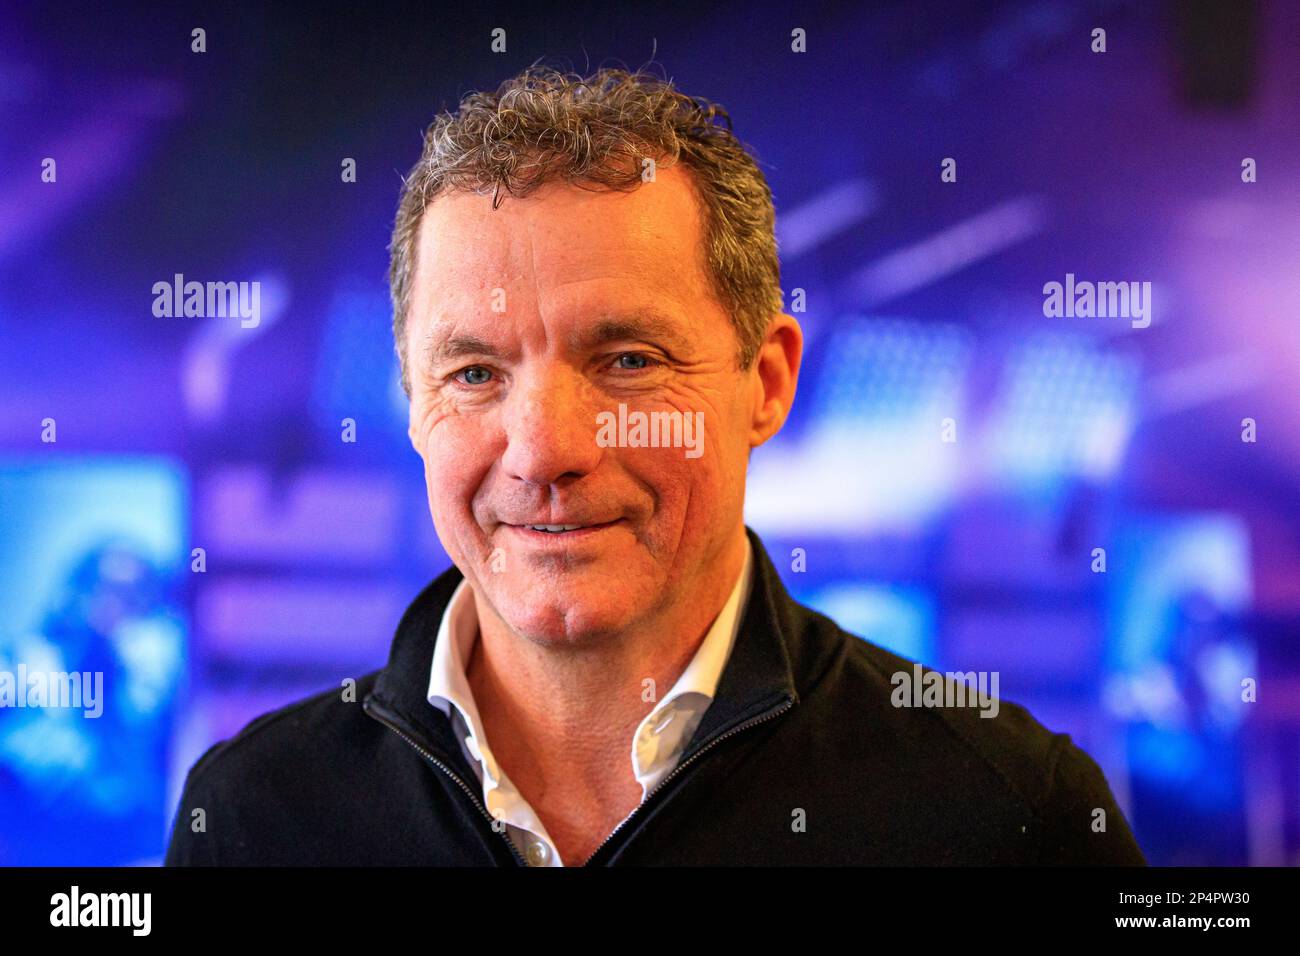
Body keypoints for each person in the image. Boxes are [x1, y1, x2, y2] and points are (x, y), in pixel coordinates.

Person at [165, 65, 1144, 866]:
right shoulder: (256, 818)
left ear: (766, 382)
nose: (545, 450)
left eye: (628, 361)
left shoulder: (1012, 818)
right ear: (416, 402)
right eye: (474, 372)